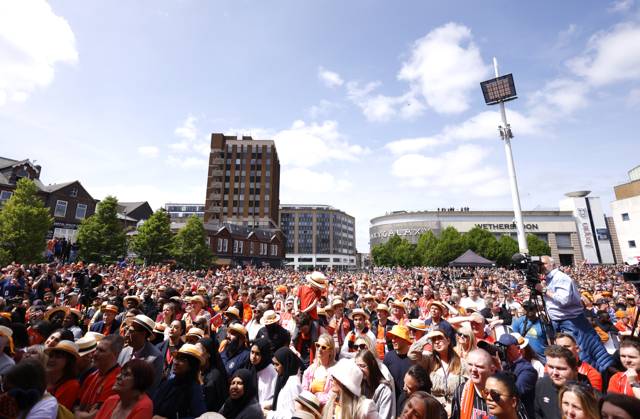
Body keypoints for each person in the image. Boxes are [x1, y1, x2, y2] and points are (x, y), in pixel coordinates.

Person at [536, 256, 612, 372]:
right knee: (573, 354)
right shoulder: (548, 279)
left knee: (580, 354)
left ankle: (595, 378)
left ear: (553, 264)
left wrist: (544, 290)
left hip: (571, 321)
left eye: (543, 264)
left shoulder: (560, 277)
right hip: (562, 322)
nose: (541, 267)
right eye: (539, 264)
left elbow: (564, 300)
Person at [535, 345, 591, 419]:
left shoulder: (589, 394)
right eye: (551, 367)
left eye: (561, 368)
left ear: (575, 370)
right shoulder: (542, 385)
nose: (555, 373)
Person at [152, 343, 207, 418]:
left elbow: (199, 416)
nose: (175, 362)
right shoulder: (168, 383)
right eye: (176, 358)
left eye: (182, 360)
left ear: (192, 365)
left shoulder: (194, 389)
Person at [76, 334, 124, 418]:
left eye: (101, 351)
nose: (94, 354)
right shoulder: (92, 375)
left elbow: (95, 415)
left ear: (115, 354)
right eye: (96, 349)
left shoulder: (117, 380)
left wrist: (80, 414)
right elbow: (76, 404)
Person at [117, 314, 163, 393]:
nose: (126, 334)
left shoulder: (155, 357)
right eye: (127, 329)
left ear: (143, 334)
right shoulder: (124, 350)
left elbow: (150, 389)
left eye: (131, 331)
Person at [497, 333, 537, 419]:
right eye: (502, 348)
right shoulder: (503, 365)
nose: (504, 351)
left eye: (507, 348)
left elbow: (516, 392)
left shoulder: (527, 370)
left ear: (518, 349)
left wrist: (500, 370)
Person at [356, 349, 395, 419]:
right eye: (357, 366)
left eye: (362, 366)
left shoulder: (385, 391)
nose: (359, 370)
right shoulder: (359, 385)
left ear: (371, 366)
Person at [265, 347, 302, 419]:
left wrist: (269, 414)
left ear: (285, 364)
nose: (274, 367)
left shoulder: (293, 383)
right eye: (273, 364)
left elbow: (292, 415)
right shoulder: (284, 379)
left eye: (277, 364)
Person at [44, 340, 80, 410]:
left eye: (58, 357)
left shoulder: (72, 385)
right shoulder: (42, 378)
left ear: (68, 362)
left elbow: (53, 411)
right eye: (51, 356)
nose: (52, 360)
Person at [302, 332, 336, 404]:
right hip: (310, 407)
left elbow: (332, 395)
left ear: (330, 351)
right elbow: (304, 389)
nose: (319, 349)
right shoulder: (311, 368)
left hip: (326, 411)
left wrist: (314, 398)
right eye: (318, 345)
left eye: (323, 347)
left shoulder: (335, 371)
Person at [197, 336, 229, 413]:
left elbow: (206, 404)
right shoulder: (197, 370)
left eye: (199, 350)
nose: (195, 353)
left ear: (208, 354)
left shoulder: (214, 377)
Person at [383, 325, 413, 399]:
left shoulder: (413, 359)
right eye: (392, 337)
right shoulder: (388, 357)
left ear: (404, 339)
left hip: (409, 401)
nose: (393, 340)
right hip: (392, 401)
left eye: (396, 337)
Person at [249, 337, 277, 408]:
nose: (253, 356)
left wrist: (261, 406)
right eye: (252, 352)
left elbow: (276, 397)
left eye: (257, 354)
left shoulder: (273, 372)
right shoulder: (252, 367)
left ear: (264, 354)